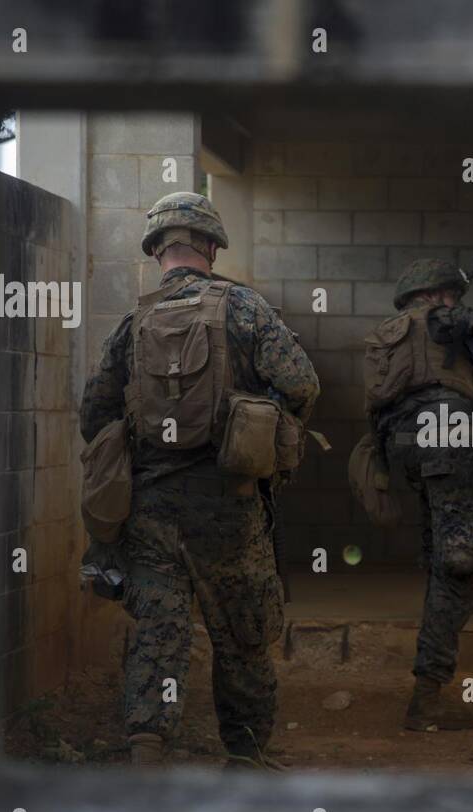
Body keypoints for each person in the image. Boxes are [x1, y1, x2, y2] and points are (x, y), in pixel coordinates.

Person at [79, 191, 319, 768]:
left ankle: (146, 748)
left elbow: (93, 413)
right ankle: (246, 756)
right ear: (210, 246)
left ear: (158, 250)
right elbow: (302, 383)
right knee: (242, 635)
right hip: (229, 504)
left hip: (151, 508)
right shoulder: (244, 308)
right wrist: (258, 426)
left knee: (159, 630)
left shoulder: (134, 322)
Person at [366, 259, 473, 730]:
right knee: (464, 559)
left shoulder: (389, 332)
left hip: (401, 442)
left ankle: (441, 590)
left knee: (439, 540)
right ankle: (427, 695)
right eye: (454, 294)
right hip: (446, 433)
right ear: (439, 294)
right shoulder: (446, 318)